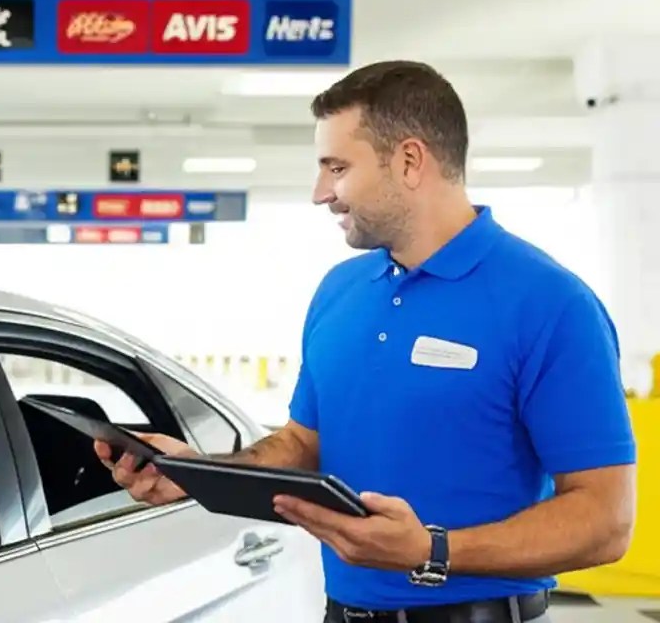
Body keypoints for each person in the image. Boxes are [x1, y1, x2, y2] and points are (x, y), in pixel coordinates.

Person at [98, 61, 637, 622]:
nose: (319, 193)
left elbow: (606, 521)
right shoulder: (341, 291)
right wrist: (201, 473)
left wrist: (432, 550)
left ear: (409, 161)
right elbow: (304, 445)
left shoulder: (551, 304)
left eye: (337, 167)